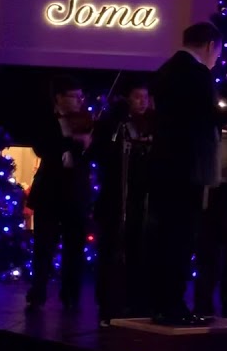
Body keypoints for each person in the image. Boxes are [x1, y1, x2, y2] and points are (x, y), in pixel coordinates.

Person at [143, 22, 227, 326]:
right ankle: (174, 307)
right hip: (187, 166)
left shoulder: (166, 69)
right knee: (181, 238)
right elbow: (208, 117)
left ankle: (162, 304)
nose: (217, 58)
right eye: (218, 51)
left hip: (163, 165)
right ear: (211, 45)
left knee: (165, 238)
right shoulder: (196, 73)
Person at [25, 75, 93, 310]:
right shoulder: (45, 120)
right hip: (50, 193)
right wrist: (73, 143)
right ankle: (37, 294)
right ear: (59, 98)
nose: (79, 102)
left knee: (75, 248)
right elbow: (43, 147)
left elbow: (92, 154)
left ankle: (71, 295)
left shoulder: (86, 121)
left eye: (80, 97)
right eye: (74, 97)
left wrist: (87, 143)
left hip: (77, 193)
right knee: (43, 247)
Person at [89, 82, 154, 322]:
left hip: (142, 200)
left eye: (146, 97)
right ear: (127, 99)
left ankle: (136, 302)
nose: (143, 101)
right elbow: (99, 154)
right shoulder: (114, 124)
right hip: (115, 199)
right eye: (138, 96)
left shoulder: (152, 124)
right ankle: (109, 303)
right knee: (111, 252)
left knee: (140, 251)